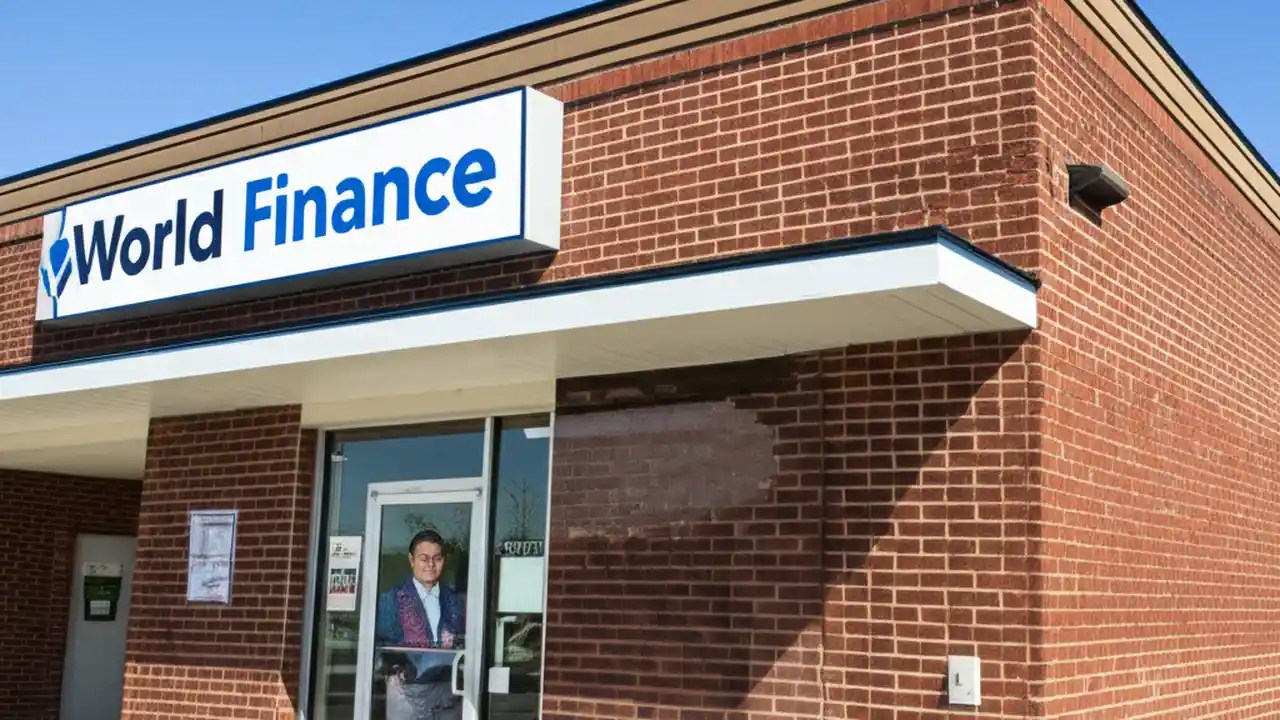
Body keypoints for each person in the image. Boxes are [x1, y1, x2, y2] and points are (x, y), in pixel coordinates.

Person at [375, 529, 466, 720]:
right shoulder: (391, 599)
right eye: (424, 558)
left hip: (448, 691)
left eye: (437, 558)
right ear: (411, 560)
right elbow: (380, 645)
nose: (430, 565)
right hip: (406, 692)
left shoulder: (456, 601)